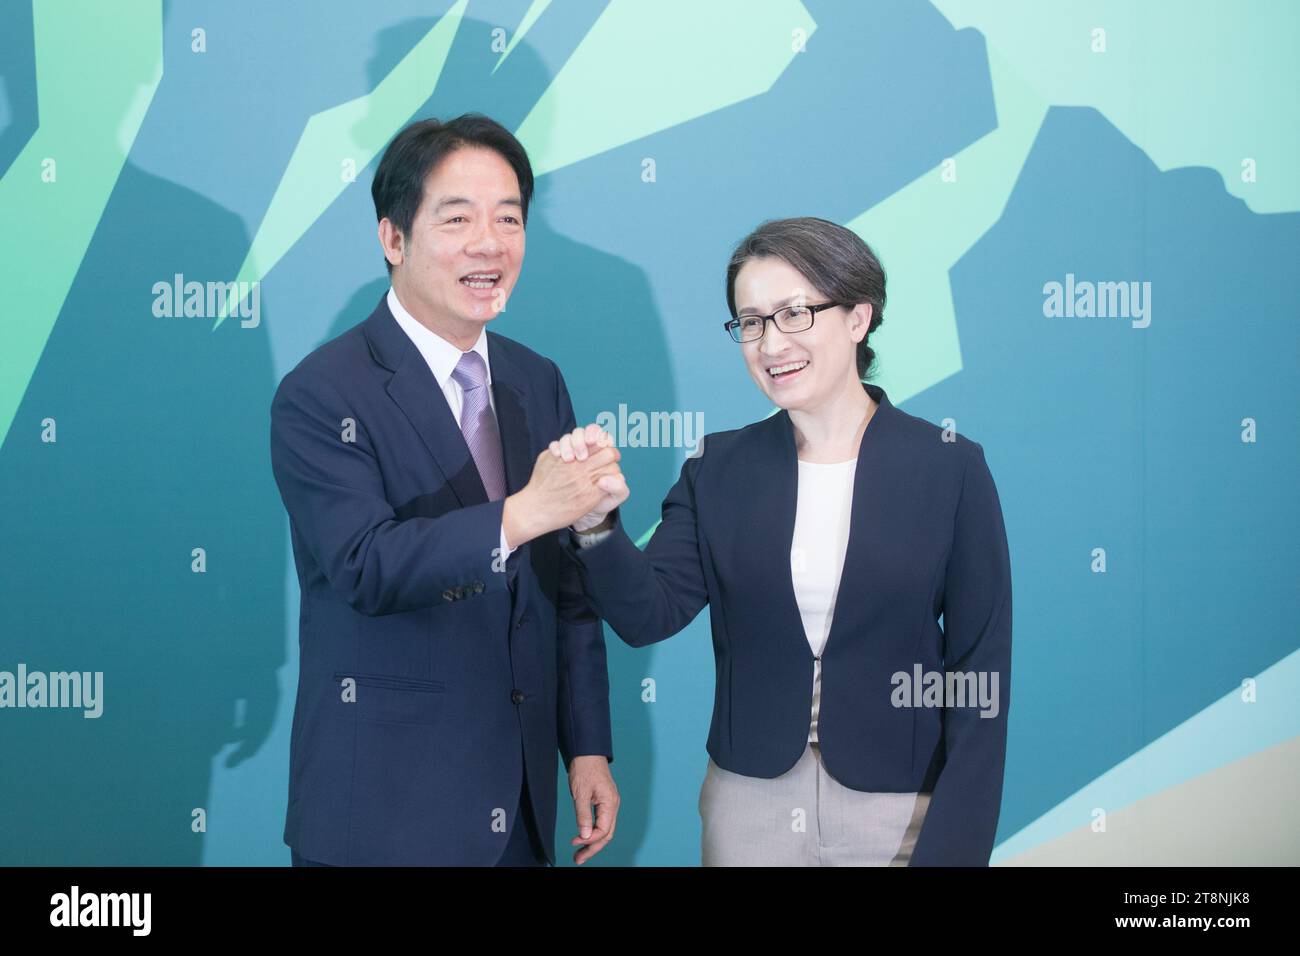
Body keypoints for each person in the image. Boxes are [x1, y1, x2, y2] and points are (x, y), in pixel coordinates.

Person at [553, 217, 1012, 865]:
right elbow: (645, 615)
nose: (771, 343)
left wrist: (955, 847)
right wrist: (597, 524)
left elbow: (979, 675)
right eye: (751, 321)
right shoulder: (719, 468)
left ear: (859, 317)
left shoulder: (949, 467)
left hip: (900, 805)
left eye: (795, 314)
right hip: (750, 803)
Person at [270, 114, 622, 866]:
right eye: (457, 219)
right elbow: (365, 565)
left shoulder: (536, 378)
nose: (489, 244)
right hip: (386, 813)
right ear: (392, 239)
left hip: (520, 810)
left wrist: (586, 748)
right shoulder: (322, 391)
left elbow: (566, 590)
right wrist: (523, 514)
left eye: (509, 220)